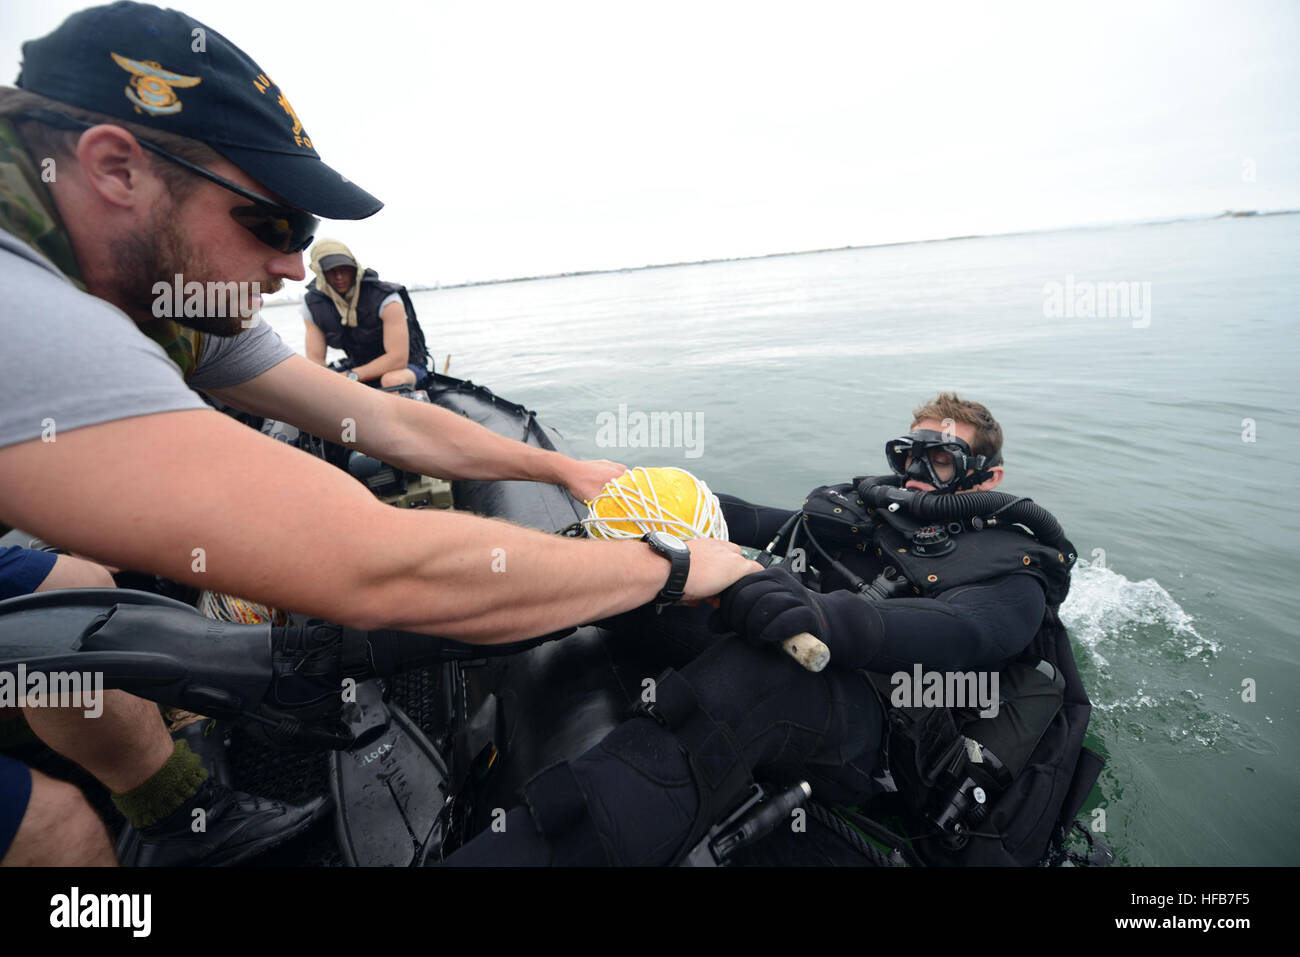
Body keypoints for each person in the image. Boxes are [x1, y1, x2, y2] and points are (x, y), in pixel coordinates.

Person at [0, 3, 756, 866]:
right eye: (271, 224)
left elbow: (385, 418)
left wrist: (559, 467)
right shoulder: (19, 304)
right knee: (51, 827)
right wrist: (674, 566)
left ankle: (176, 812)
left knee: (68, 584)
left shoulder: (176, 298)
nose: (294, 265)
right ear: (114, 169)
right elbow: (369, 562)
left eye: (309, 236)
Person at [301, 239, 430, 388]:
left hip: (405, 366)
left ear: (354, 267)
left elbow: (397, 359)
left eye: (344, 269)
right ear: (320, 273)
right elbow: (315, 361)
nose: (339, 277)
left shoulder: (386, 299)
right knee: (311, 384)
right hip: (358, 364)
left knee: (392, 381)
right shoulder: (313, 304)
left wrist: (350, 377)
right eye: (331, 271)